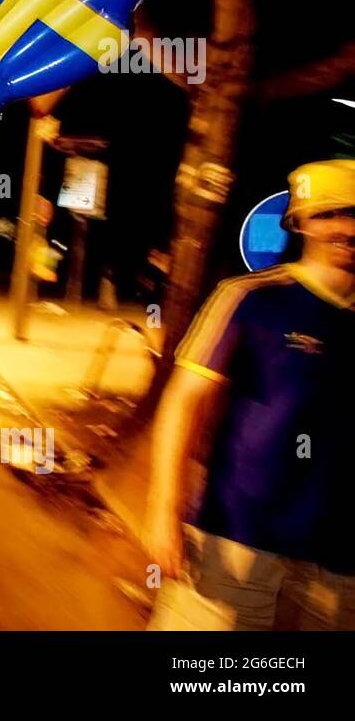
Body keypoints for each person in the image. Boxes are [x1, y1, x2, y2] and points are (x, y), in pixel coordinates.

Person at [144, 159, 355, 630]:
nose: (346, 227)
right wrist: (164, 509)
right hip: (236, 539)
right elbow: (184, 400)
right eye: (329, 213)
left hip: (338, 565)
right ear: (299, 222)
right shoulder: (251, 297)